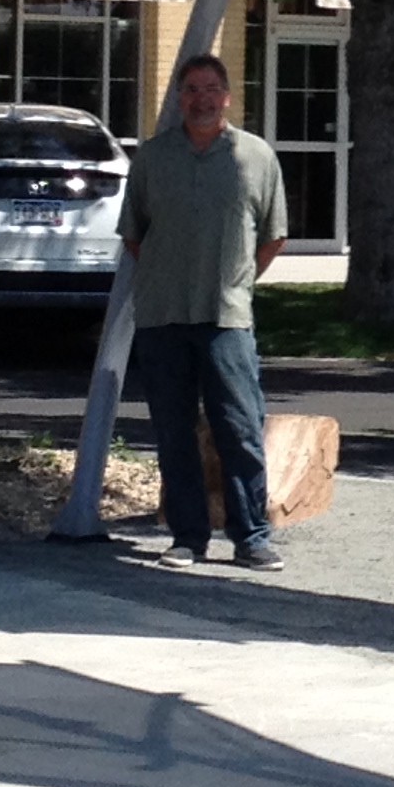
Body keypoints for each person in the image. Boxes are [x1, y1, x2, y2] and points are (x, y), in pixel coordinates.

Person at [120, 51, 290, 567]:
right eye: (192, 89)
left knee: (238, 427)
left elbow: (273, 235)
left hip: (227, 318)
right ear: (179, 98)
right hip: (163, 316)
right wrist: (170, 274)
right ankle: (187, 537)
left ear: (228, 97)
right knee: (174, 433)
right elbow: (134, 235)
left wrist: (238, 281)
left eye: (211, 89)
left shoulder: (256, 157)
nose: (202, 99)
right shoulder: (152, 158)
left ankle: (251, 536)